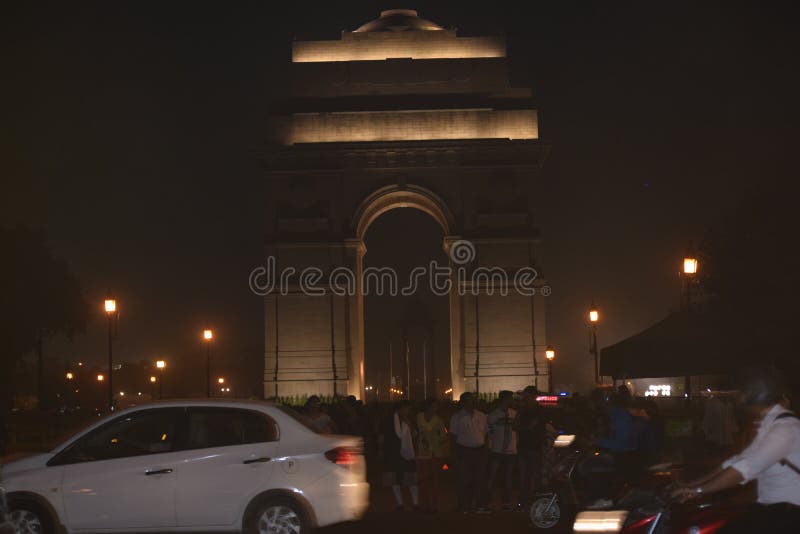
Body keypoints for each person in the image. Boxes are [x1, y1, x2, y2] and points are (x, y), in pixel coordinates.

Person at [672, 367, 800, 533]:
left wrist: (698, 491)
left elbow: (747, 467)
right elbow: (737, 461)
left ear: (755, 395)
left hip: (789, 513)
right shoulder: (772, 424)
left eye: (742, 393)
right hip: (774, 508)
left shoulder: (785, 429)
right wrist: (692, 485)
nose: (737, 398)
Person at [449, 392, 490, 514]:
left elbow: (486, 434)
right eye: (468, 400)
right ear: (463, 402)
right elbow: (452, 436)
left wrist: (486, 449)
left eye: (472, 400)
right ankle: (464, 506)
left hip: (480, 450)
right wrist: (454, 453)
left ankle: (480, 505)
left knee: (480, 479)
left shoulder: (482, 416)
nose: (471, 403)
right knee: (464, 480)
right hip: (464, 450)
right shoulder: (457, 417)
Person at [383, 401, 419, 511]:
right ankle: (400, 503)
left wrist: (409, 424)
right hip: (393, 453)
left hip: (407, 453)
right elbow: (385, 436)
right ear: (401, 408)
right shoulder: (389, 419)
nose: (408, 411)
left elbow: (415, 435)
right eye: (407, 409)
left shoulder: (410, 420)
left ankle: (415, 503)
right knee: (395, 478)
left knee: (411, 478)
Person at [486, 390, 518, 510]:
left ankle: (506, 502)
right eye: (510, 398)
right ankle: (488, 501)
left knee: (508, 477)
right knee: (493, 476)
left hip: (511, 450)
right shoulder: (493, 415)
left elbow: (517, 428)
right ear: (504, 400)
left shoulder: (514, 413)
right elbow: (489, 430)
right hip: (497, 450)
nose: (511, 401)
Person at [416, 400, 447, 512]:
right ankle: (423, 504)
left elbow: (443, 437)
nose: (435, 409)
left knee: (434, 481)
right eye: (433, 406)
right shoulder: (419, 417)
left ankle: (434, 505)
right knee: (423, 480)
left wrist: (437, 439)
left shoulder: (439, 420)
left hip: (435, 453)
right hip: (422, 453)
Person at [517, 385, 546, 504]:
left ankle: (537, 500)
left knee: (534, 474)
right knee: (525, 475)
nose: (525, 398)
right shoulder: (524, 410)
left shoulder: (538, 410)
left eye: (527, 396)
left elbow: (530, 426)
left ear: (533, 396)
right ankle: (526, 500)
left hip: (534, 445)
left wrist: (520, 427)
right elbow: (520, 425)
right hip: (525, 445)